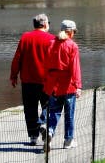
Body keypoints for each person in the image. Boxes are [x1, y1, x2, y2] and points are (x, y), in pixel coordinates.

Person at [10, 13, 55, 146]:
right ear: (45, 24)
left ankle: (33, 136)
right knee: (48, 106)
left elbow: (17, 58)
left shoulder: (25, 38)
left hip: (28, 81)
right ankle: (44, 124)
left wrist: (13, 75)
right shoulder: (52, 39)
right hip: (46, 81)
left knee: (30, 109)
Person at [43, 19, 82, 149]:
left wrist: (47, 81)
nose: (74, 34)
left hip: (54, 85)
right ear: (70, 32)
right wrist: (78, 86)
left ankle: (50, 131)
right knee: (69, 114)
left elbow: (45, 65)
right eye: (74, 32)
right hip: (68, 85)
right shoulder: (72, 46)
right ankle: (68, 141)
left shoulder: (51, 43)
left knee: (54, 112)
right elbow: (75, 68)